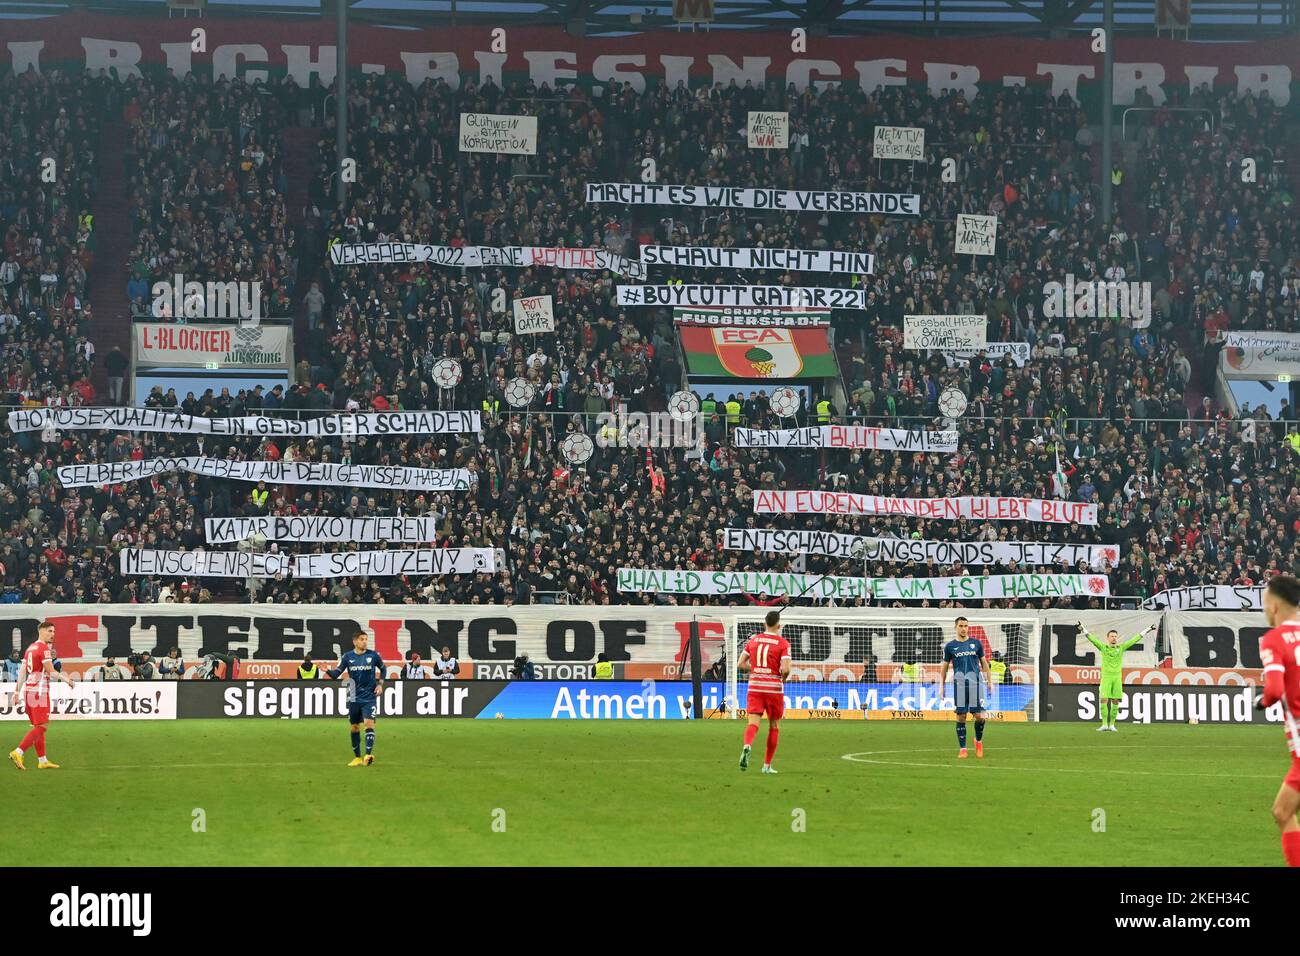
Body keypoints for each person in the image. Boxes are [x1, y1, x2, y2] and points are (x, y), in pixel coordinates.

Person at [1256, 574, 1300, 867]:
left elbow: (1273, 689)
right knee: (1283, 810)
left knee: (1283, 813)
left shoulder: (1273, 639)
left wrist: (1261, 702)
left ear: (1273, 607)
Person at [7, 621, 74, 770]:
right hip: (39, 693)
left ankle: (42, 760)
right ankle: (18, 752)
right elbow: (52, 672)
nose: (53, 634)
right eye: (50, 631)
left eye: (54, 632)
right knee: (42, 727)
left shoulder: (30, 647)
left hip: (29, 691)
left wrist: (17, 691)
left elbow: (23, 672)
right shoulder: (44, 648)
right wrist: (67, 679)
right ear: (41, 631)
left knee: (38, 726)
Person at [736, 609, 791, 774]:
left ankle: (747, 745)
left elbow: (740, 664)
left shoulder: (754, 640)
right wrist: (782, 679)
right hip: (773, 688)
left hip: (755, 686)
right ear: (779, 626)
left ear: (764, 623)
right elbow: (786, 669)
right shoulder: (783, 643)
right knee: (774, 726)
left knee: (753, 723)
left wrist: (756, 670)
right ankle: (766, 766)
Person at [1079, 621, 1157, 732]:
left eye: (1115, 636)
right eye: (1112, 636)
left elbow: (1135, 639)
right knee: (1103, 700)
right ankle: (1104, 724)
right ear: (1108, 638)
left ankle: (1112, 725)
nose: (1114, 638)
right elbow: (1092, 639)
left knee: (1115, 701)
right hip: (1106, 677)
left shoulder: (1121, 648)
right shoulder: (1103, 647)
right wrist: (1083, 629)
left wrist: (1148, 629)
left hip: (1117, 678)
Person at [326, 630, 385, 767]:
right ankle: (357, 758)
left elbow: (383, 669)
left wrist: (380, 684)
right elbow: (336, 674)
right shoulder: (347, 657)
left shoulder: (373, 655)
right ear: (355, 641)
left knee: (369, 724)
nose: (365, 641)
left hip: (369, 697)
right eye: (362, 639)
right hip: (353, 697)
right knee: (354, 727)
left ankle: (368, 755)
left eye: (366, 639)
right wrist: (327, 670)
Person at [938, 616, 992, 759]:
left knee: (980, 716)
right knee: (961, 716)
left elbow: (984, 663)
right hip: (960, 685)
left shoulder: (976, 644)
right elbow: (944, 668)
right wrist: (941, 686)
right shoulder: (950, 646)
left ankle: (978, 741)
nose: (964, 628)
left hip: (976, 684)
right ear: (956, 627)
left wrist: (990, 681)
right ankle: (963, 749)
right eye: (961, 626)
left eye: (966, 626)